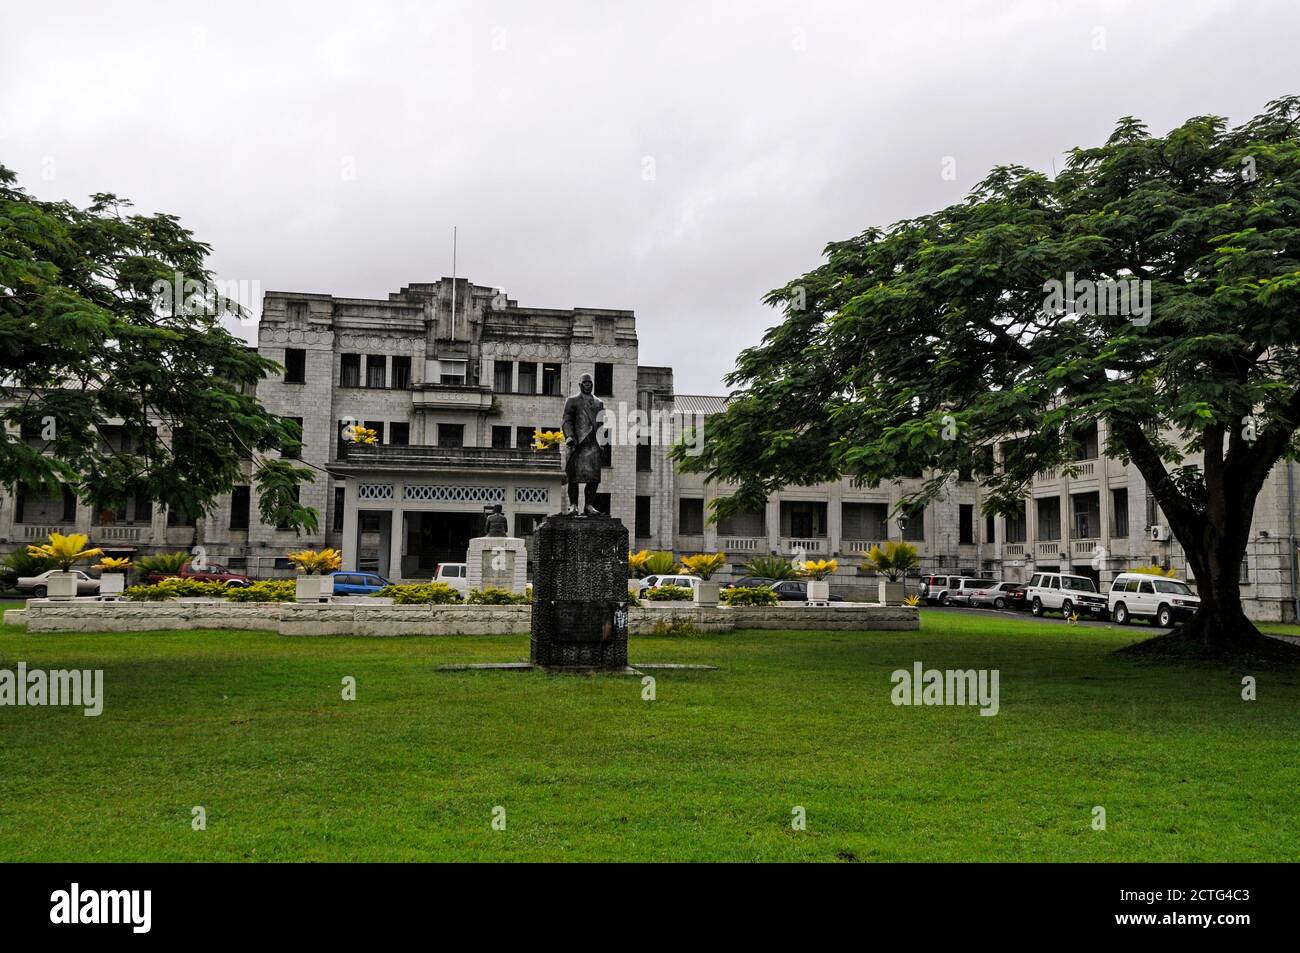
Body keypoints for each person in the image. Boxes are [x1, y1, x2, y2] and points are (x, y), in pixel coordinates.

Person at [562, 372, 605, 515]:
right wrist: (569, 436)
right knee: (573, 477)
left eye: (590, 383)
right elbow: (567, 420)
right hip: (577, 443)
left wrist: (602, 441)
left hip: (593, 444)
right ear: (580, 385)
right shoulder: (572, 400)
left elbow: (601, 424)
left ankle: (588, 505)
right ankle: (573, 505)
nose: (588, 385)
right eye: (585, 383)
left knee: (594, 478)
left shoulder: (599, 403)